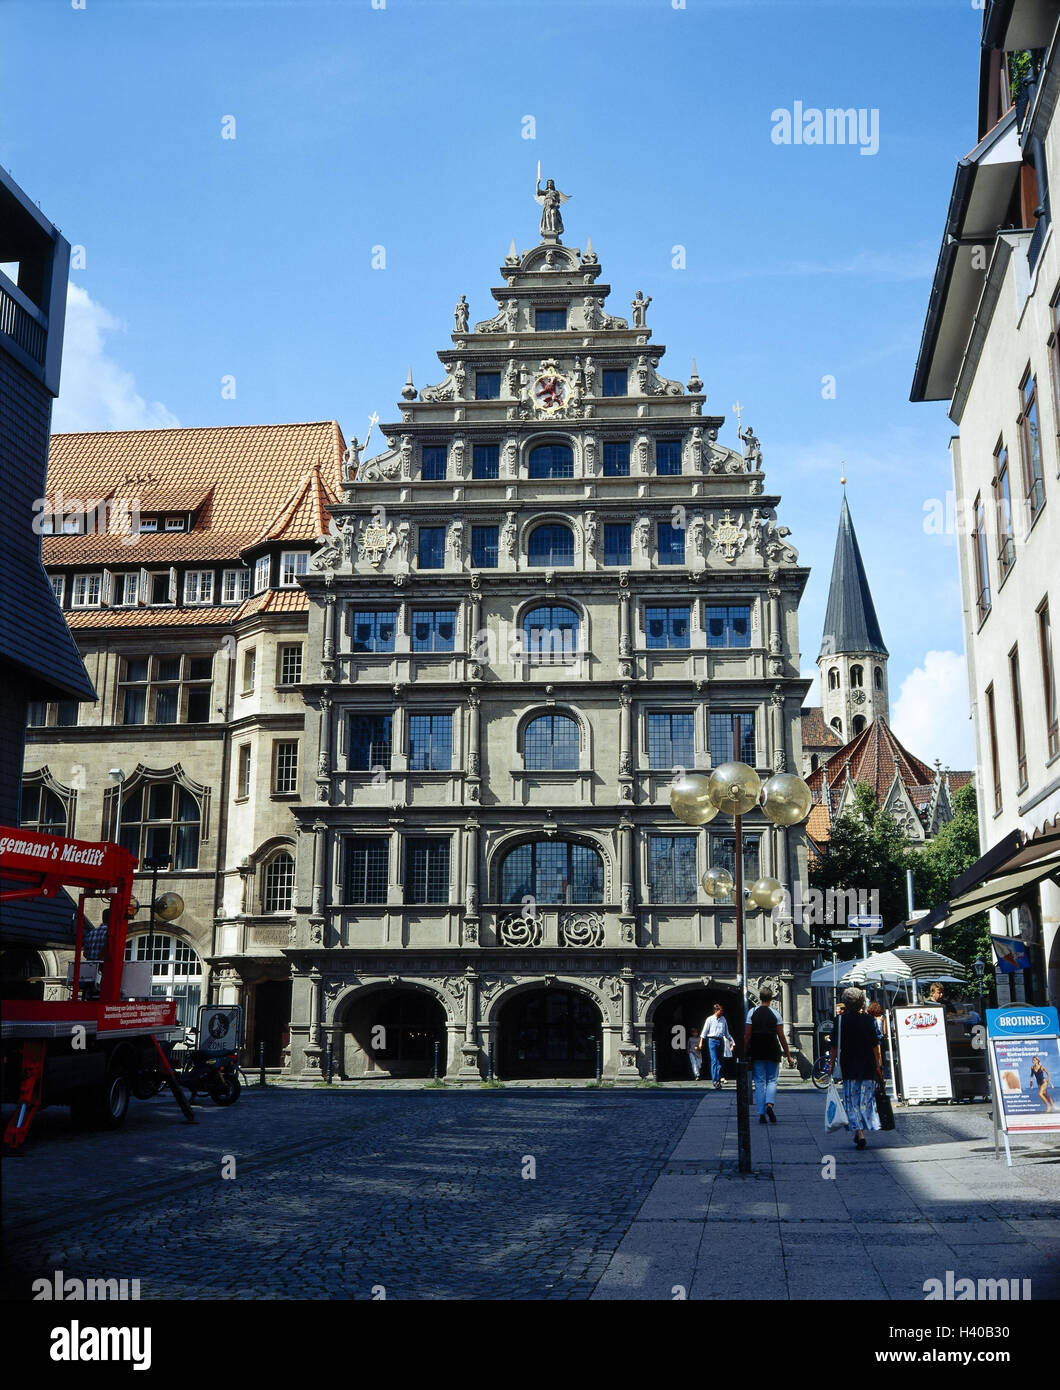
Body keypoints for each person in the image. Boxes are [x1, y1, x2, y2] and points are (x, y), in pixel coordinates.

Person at [827, 987, 883, 1149]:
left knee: (851, 1101)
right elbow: (875, 1045)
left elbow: (834, 1046)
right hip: (867, 1065)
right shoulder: (869, 1020)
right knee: (865, 1100)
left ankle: (859, 1132)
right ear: (860, 1002)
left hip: (849, 1065)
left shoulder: (839, 1021)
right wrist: (878, 1065)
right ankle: (861, 1130)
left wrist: (830, 1064)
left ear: (845, 1003)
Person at [745, 987, 795, 1124]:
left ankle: (761, 1113)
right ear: (771, 998)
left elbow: (747, 1034)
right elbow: (781, 1036)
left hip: (757, 1050)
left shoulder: (752, 1012)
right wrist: (788, 1054)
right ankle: (769, 1104)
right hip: (772, 1049)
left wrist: (744, 1051)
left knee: (760, 1082)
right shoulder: (776, 1014)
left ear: (760, 997)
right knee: (772, 1080)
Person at [698, 1002, 735, 1089]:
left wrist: (730, 1041)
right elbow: (704, 1032)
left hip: (720, 1040)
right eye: (721, 1011)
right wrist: (701, 1042)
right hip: (712, 1040)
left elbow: (726, 1032)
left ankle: (718, 1080)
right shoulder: (709, 1019)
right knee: (714, 1060)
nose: (722, 1012)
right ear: (716, 1010)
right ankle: (715, 1080)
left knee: (720, 1061)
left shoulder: (723, 1019)